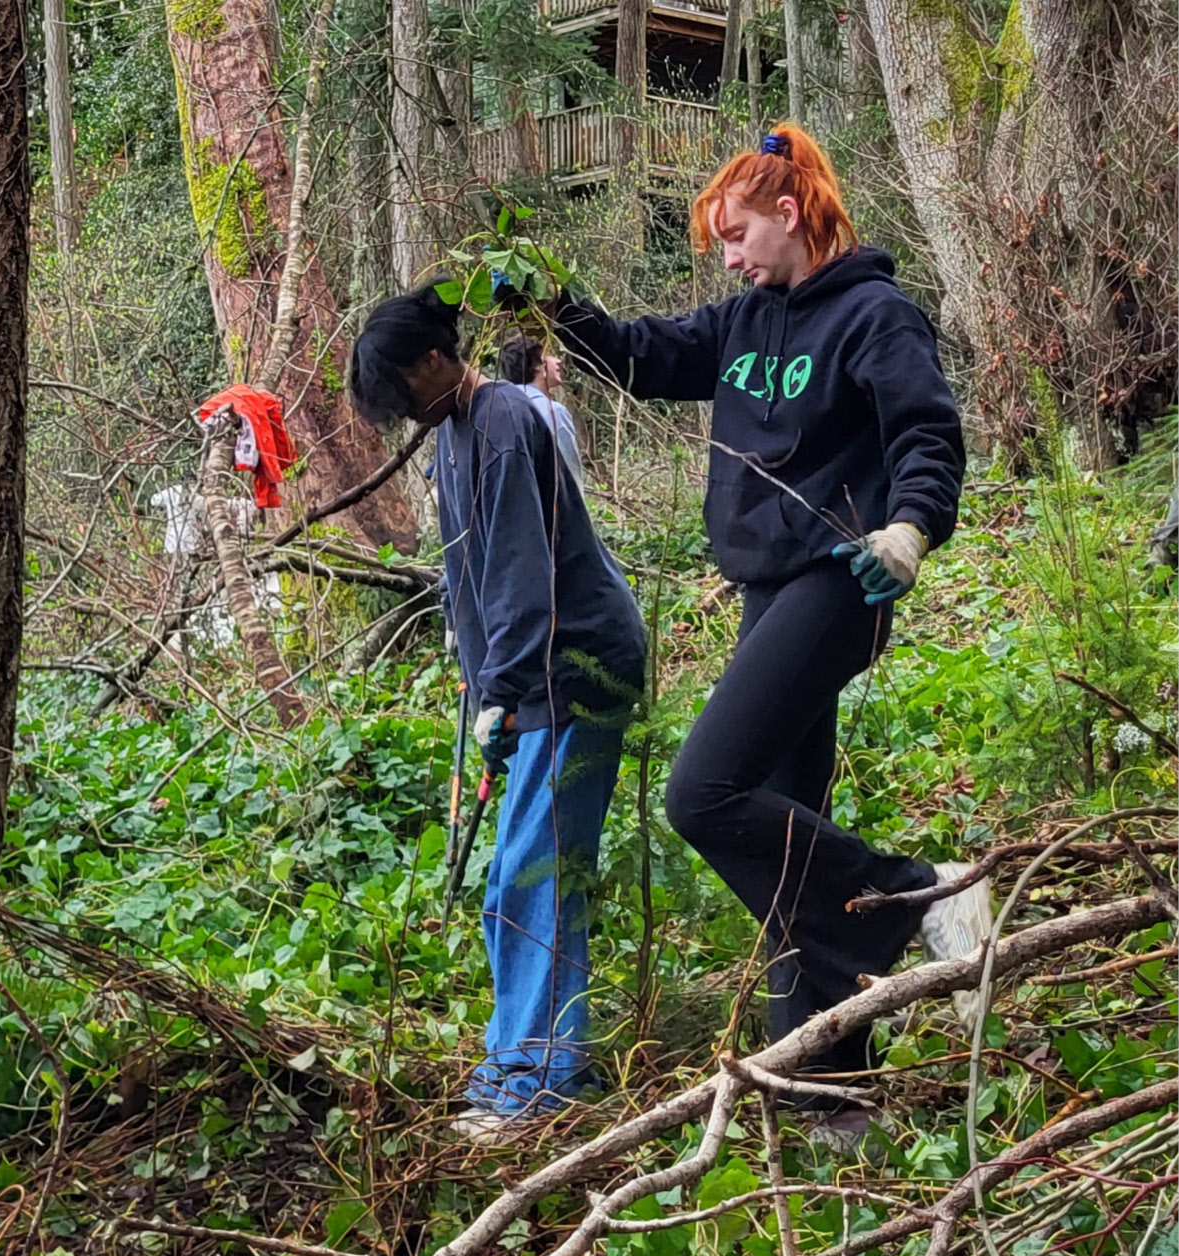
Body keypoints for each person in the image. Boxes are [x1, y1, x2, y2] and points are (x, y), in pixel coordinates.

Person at [540, 122, 993, 1142]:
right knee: (786, 832)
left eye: (737, 234)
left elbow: (926, 430)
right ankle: (830, 1096)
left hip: (839, 578)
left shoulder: (874, 314)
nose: (729, 257)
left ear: (788, 213)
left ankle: (913, 892)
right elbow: (638, 355)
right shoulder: (743, 321)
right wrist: (552, 303)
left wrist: (911, 527)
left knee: (701, 792)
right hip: (765, 587)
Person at [348, 286, 646, 1138]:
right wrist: (478, 681)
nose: (406, 414)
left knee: (531, 873)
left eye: (404, 392)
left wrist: (506, 691)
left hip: (574, 669)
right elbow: (467, 572)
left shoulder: (506, 420)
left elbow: (522, 574)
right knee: (522, 870)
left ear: (433, 360)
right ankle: (531, 1059)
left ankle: (538, 1080)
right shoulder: (451, 433)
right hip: (526, 681)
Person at [496, 334, 584, 488]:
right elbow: (570, 476)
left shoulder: (499, 411)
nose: (558, 361)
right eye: (549, 355)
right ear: (538, 365)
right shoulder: (553, 412)